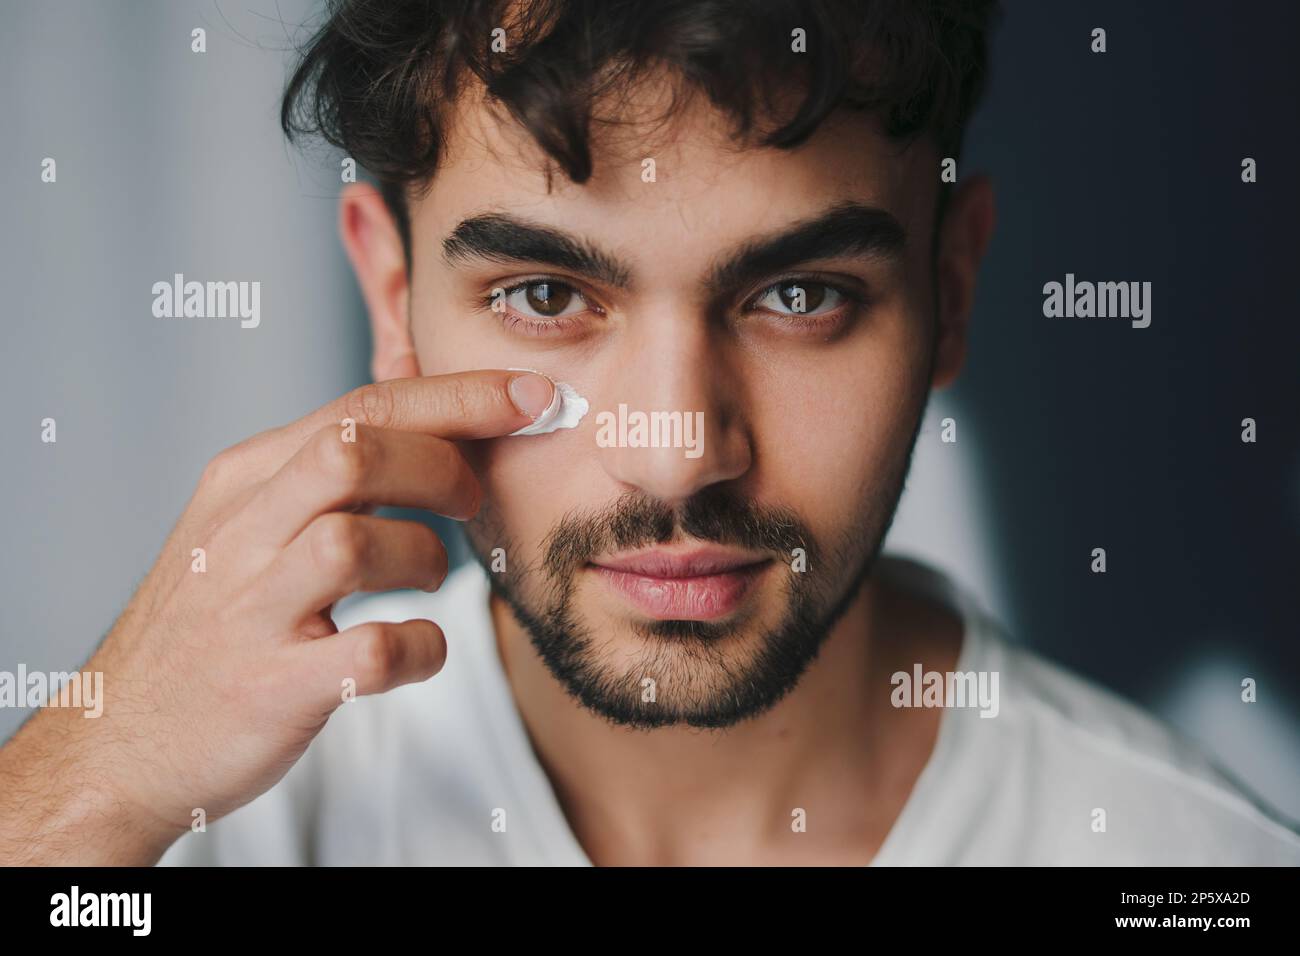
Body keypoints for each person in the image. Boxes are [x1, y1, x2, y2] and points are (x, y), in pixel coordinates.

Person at [2, 0, 1297, 866]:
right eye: (548, 297)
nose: (678, 453)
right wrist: (73, 790)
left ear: (951, 291)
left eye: (800, 296)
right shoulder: (184, 838)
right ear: (394, 303)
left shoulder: (1184, 863)